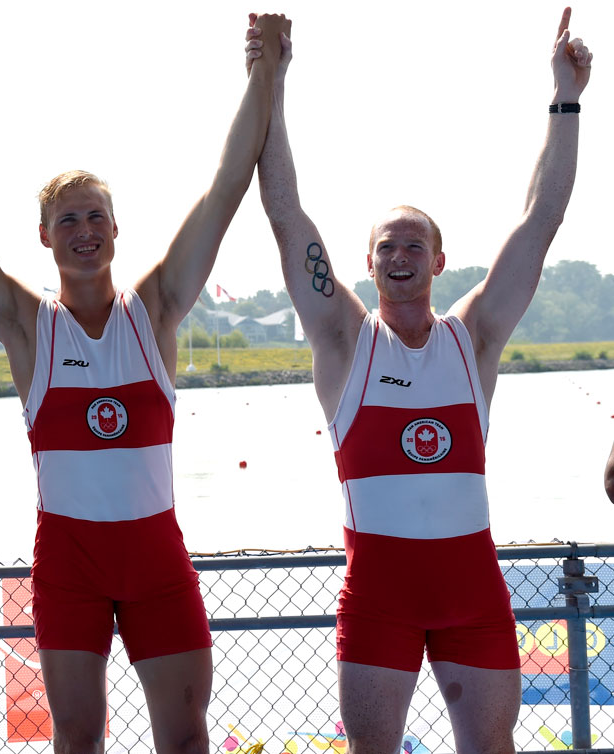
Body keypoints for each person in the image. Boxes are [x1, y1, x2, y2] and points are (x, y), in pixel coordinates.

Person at [0, 19, 286, 754]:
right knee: (78, 738)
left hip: (157, 562)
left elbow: (226, 189)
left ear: (117, 230)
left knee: (185, 739)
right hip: (70, 566)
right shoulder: (28, 328)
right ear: (44, 237)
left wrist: (264, 70)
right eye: (67, 220)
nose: (83, 229)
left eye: (95, 217)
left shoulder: (156, 309)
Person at [253, 9, 592, 753]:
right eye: (385, 246)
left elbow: (542, 219)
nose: (399, 255)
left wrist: (565, 97)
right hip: (380, 603)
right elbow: (285, 214)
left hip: (473, 596)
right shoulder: (345, 343)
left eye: (414, 244)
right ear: (366, 263)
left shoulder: (472, 342)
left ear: (438, 261)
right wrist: (269, 84)